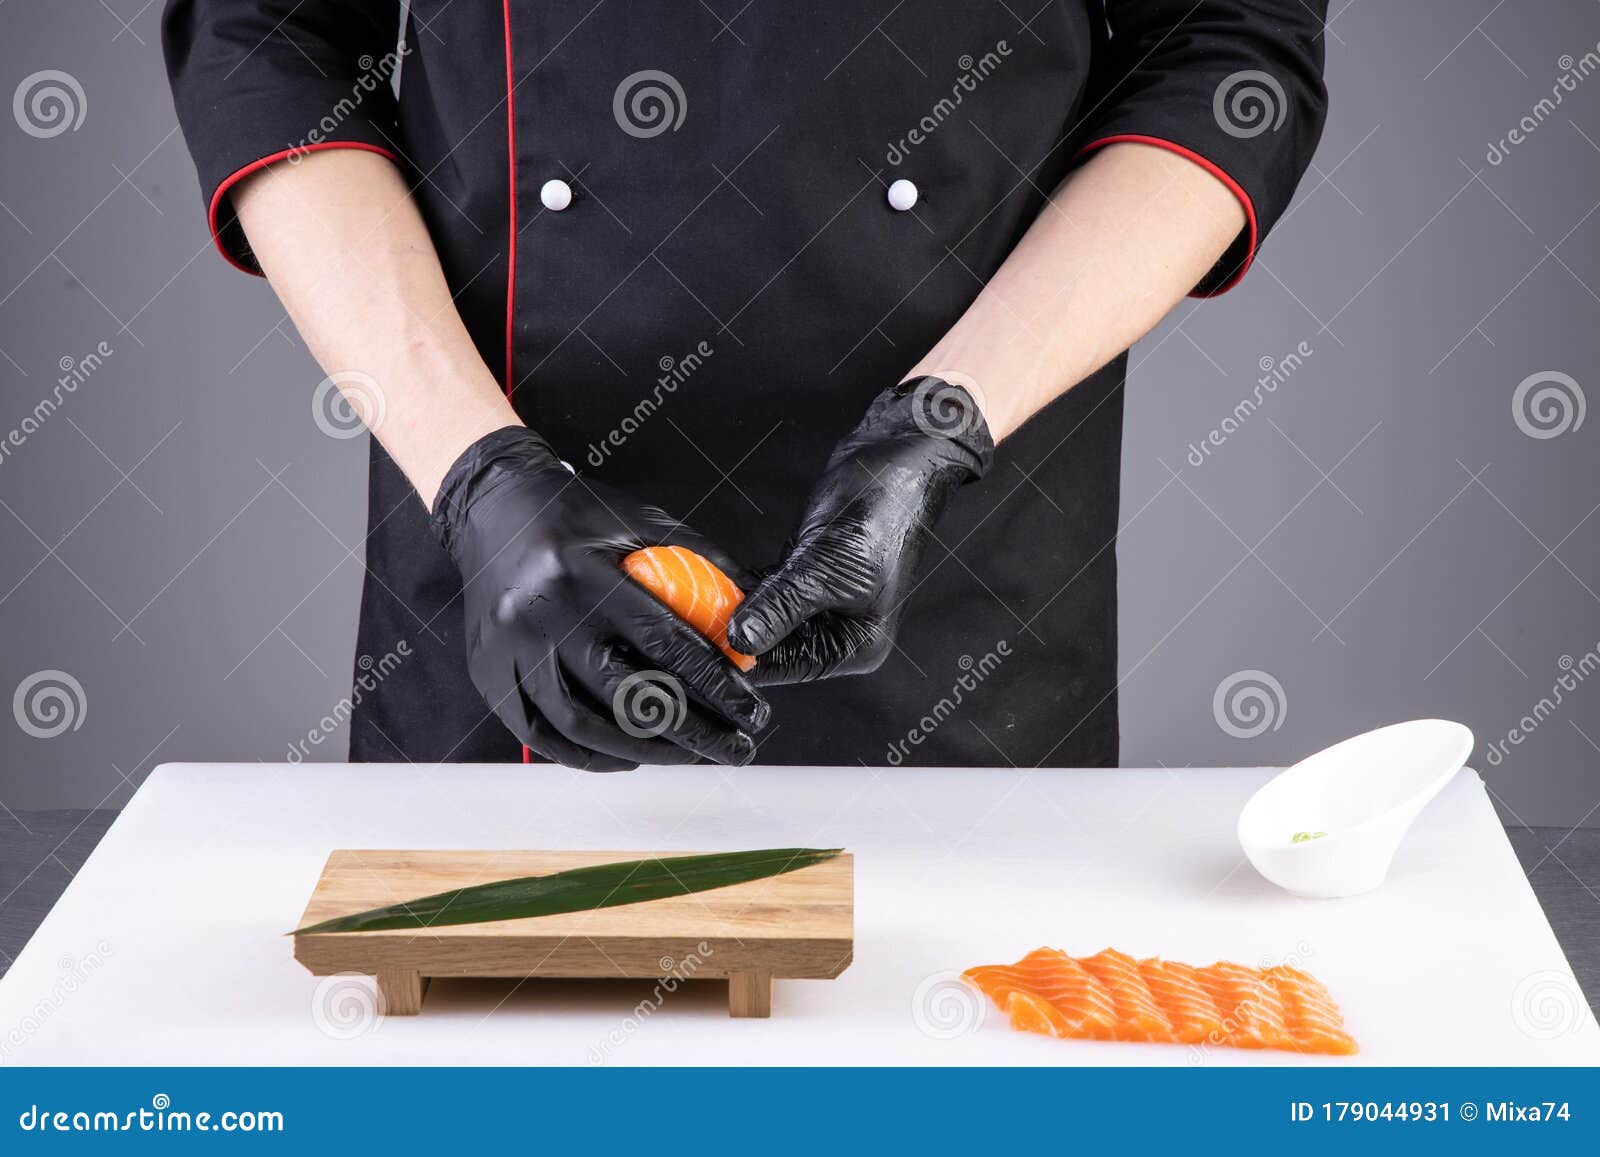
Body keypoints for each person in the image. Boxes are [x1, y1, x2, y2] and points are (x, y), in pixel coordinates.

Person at [163, 2, 1328, 770]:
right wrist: (476, 475)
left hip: (959, 557)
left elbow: (1224, 48)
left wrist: (939, 424)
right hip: (506, 546)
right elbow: (264, 38)